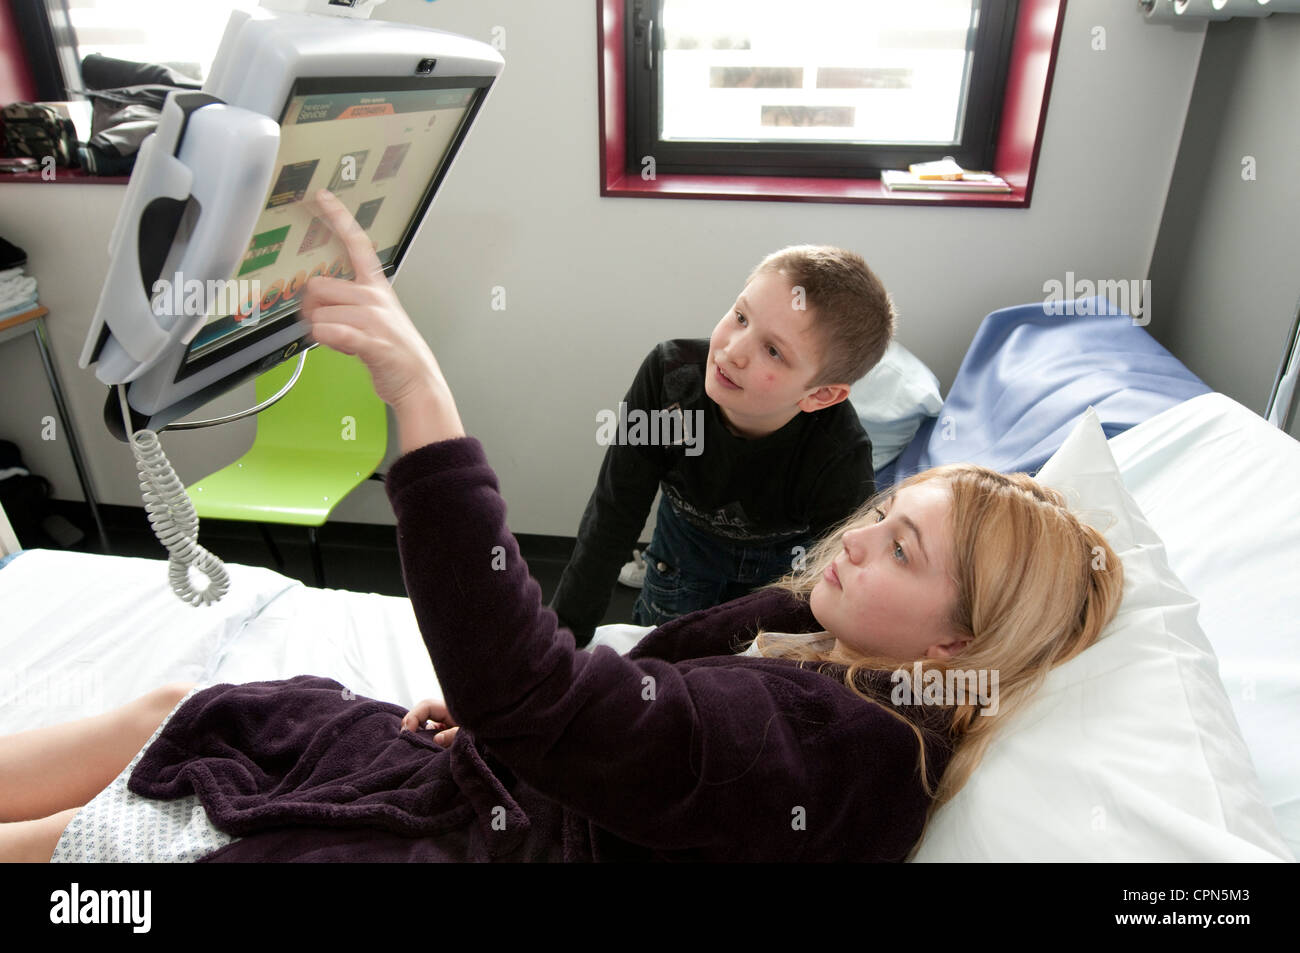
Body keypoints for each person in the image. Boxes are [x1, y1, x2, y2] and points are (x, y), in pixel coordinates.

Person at [0, 191, 1125, 863]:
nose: (858, 540)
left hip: (500, 831)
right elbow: (620, 575)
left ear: (952, 645)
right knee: (195, 708)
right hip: (553, 734)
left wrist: (422, 401)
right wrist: (522, 684)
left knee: (128, 834)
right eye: (884, 515)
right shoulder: (843, 639)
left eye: (899, 548)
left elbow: (629, 709)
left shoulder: (827, 749)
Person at [548, 245, 894, 646]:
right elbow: (615, 509)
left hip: (783, 573)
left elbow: (850, 572)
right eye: (741, 317)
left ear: (820, 395)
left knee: (739, 672)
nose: (732, 352)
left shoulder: (838, 454)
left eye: (773, 351)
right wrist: (565, 637)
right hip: (682, 555)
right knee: (660, 656)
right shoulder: (669, 381)